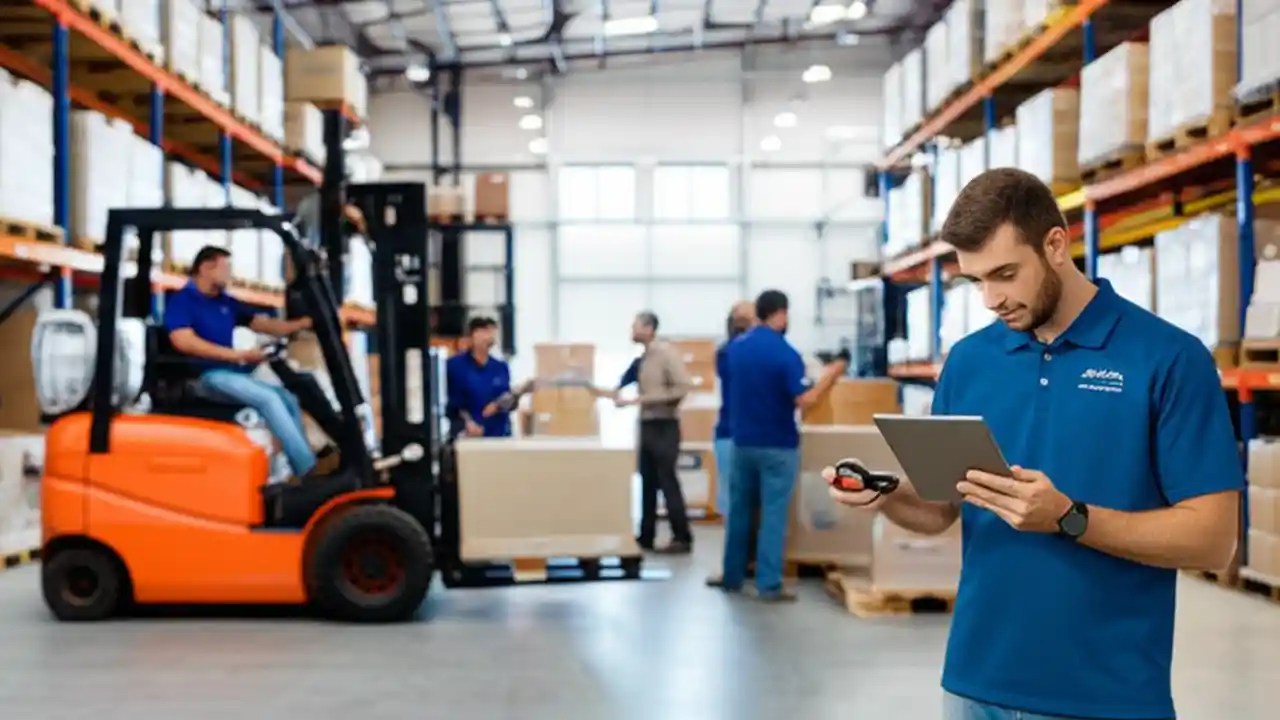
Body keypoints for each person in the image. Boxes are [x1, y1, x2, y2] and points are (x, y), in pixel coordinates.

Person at [828, 168, 1242, 719]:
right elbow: (940, 510)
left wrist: (1069, 518)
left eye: (1005, 274)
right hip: (975, 685)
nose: (991, 299)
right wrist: (886, 494)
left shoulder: (1169, 359)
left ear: (1055, 245)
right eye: (976, 280)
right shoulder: (970, 362)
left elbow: (1213, 541)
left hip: (1106, 697)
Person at [714, 290, 847, 601]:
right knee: (773, 515)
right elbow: (804, 400)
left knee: (740, 511)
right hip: (778, 444)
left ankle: (732, 576)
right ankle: (768, 583)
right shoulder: (785, 354)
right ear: (781, 314)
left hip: (742, 442)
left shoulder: (735, 350)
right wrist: (831, 376)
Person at [165, 245, 323, 480]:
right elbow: (183, 341)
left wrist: (306, 323)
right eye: (226, 268)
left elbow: (266, 325)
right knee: (268, 398)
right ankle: (308, 472)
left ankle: (299, 466)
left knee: (287, 398)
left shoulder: (224, 302)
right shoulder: (183, 301)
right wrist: (237, 356)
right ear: (206, 268)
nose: (230, 274)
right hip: (204, 377)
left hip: (230, 374)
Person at [615, 311, 694, 554]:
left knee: (667, 481)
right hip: (647, 424)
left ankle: (682, 536)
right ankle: (646, 535)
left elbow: (683, 387)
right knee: (647, 480)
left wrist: (646, 399)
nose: (632, 330)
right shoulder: (644, 357)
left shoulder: (666, 354)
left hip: (664, 425)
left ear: (649, 328)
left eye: (636, 326)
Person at [445, 316, 533, 439]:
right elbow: (452, 403)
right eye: (484, 331)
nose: (488, 336)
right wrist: (466, 424)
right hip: (468, 435)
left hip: (499, 435)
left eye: (492, 332)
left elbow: (508, 400)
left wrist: (514, 396)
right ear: (472, 336)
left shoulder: (500, 367)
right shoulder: (454, 366)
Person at [714, 301, 757, 516]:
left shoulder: (727, 352)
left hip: (739, 432)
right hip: (734, 432)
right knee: (734, 496)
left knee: (737, 495)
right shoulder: (731, 353)